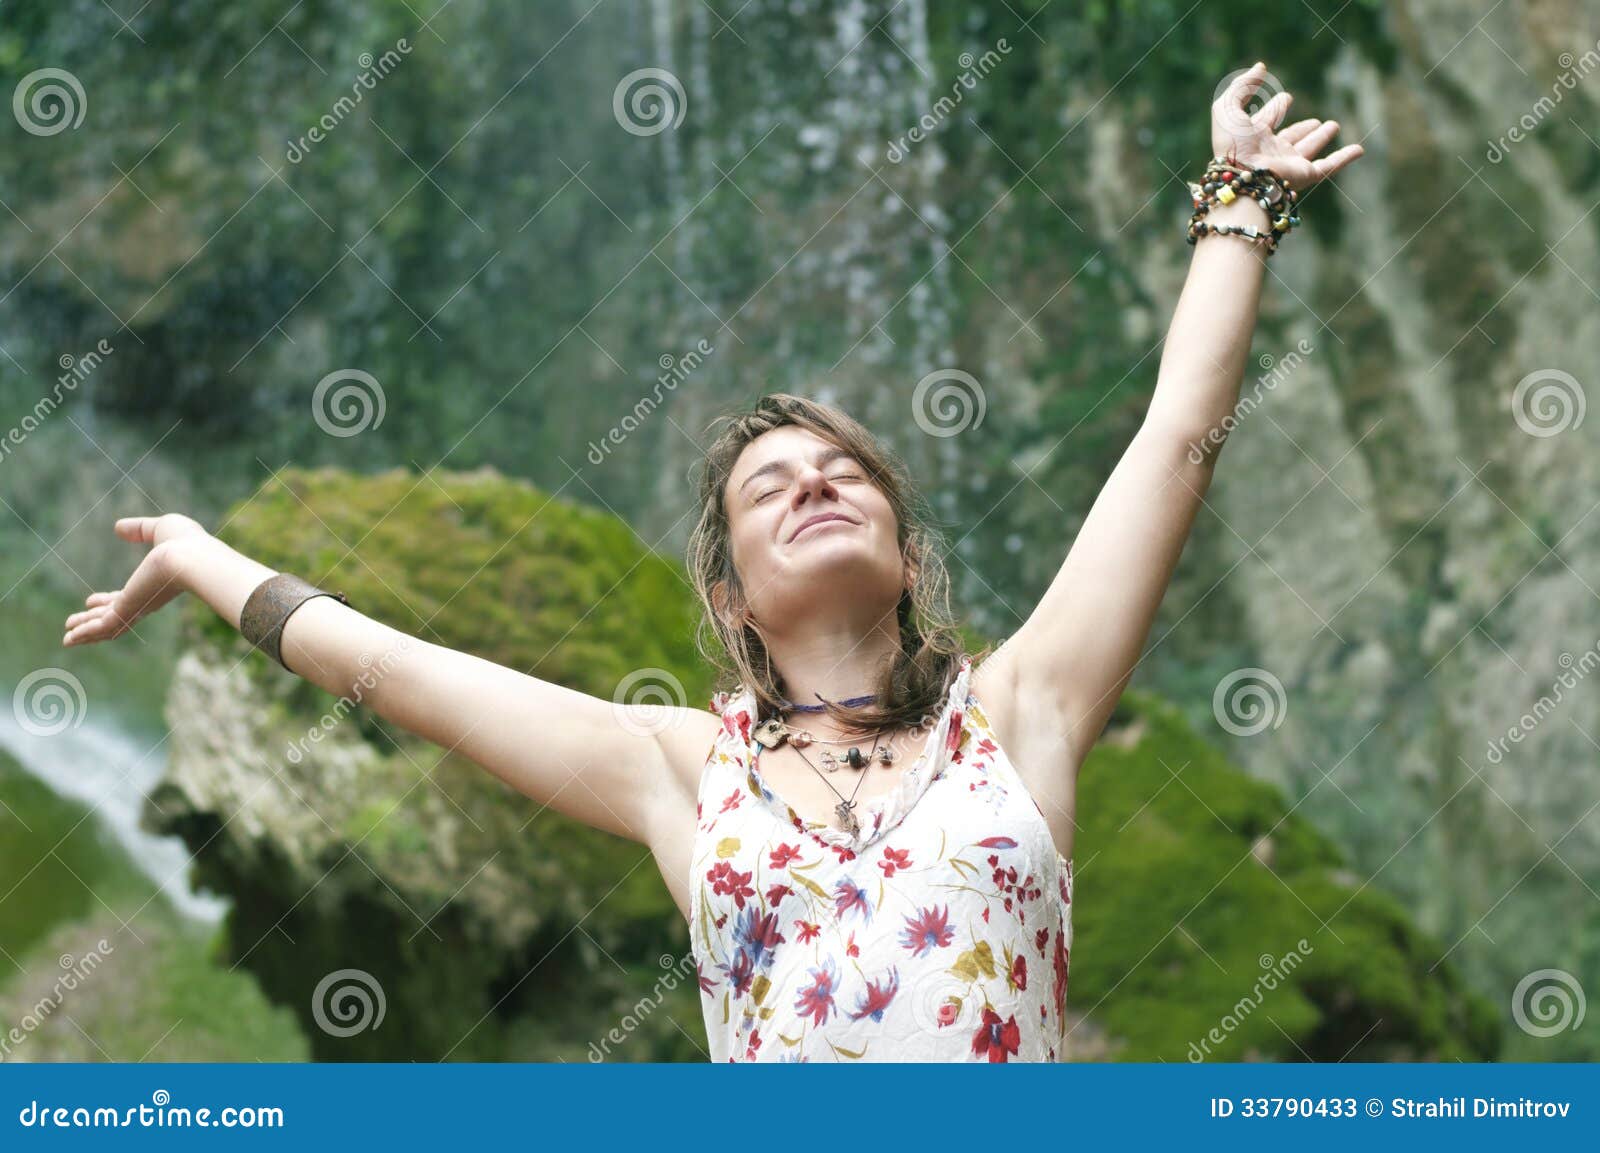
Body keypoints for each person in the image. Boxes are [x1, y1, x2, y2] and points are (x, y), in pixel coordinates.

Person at [61, 63, 1362, 1061]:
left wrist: (1240, 202)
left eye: (845, 470)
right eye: (769, 484)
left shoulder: (1026, 708)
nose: (814, 479)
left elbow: (1178, 434)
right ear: (730, 591)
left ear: (906, 553)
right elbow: (387, 669)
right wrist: (195, 554)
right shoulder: (682, 767)